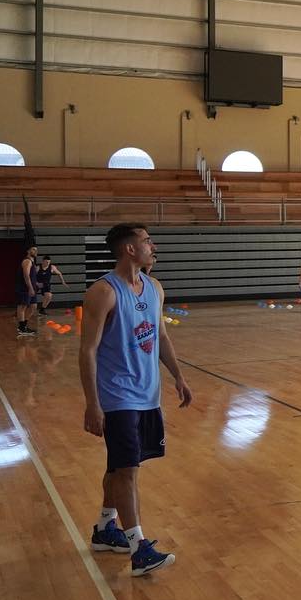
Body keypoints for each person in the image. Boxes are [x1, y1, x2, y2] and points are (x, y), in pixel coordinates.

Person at [78, 223, 193, 576]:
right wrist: (93, 403)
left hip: (148, 394)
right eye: (146, 241)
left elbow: (159, 335)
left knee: (118, 466)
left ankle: (104, 528)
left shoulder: (154, 288)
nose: (152, 246)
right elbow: (88, 351)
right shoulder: (103, 292)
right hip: (117, 396)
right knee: (129, 470)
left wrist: (178, 376)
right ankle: (139, 548)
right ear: (129, 249)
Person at [16, 244, 39, 337]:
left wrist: (36, 284)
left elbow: (32, 276)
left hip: (31, 288)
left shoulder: (32, 262)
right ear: (28, 251)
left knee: (33, 307)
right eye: (33, 249)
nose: (36, 251)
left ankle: (23, 326)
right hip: (25, 288)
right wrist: (30, 288)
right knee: (22, 307)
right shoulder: (27, 261)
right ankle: (22, 328)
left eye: (36, 250)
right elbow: (26, 276)